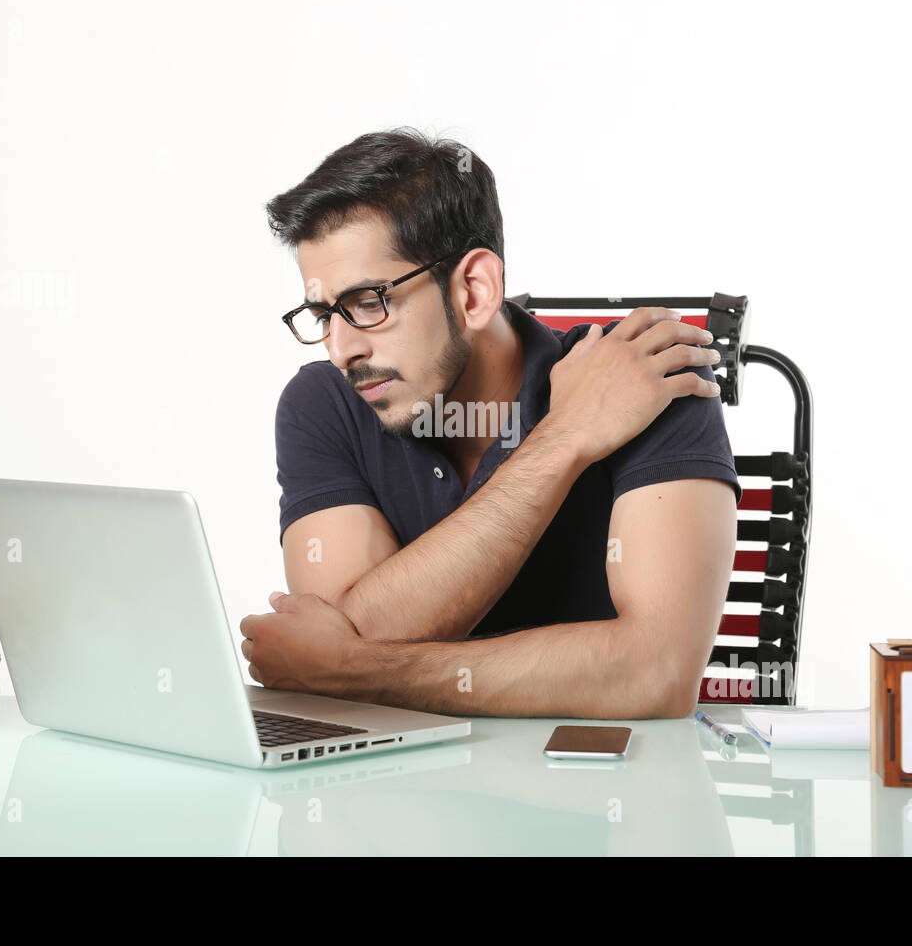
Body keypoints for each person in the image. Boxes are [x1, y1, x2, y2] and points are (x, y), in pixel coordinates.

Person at [241, 128, 741, 719]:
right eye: (324, 314)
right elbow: (337, 627)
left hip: (601, 801)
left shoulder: (646, 382)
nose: (340, 349)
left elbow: (654, 673)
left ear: (474, 292)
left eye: (368, 303)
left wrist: (358, 671)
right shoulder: (321, 403)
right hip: (396, 799)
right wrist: (564, 438)